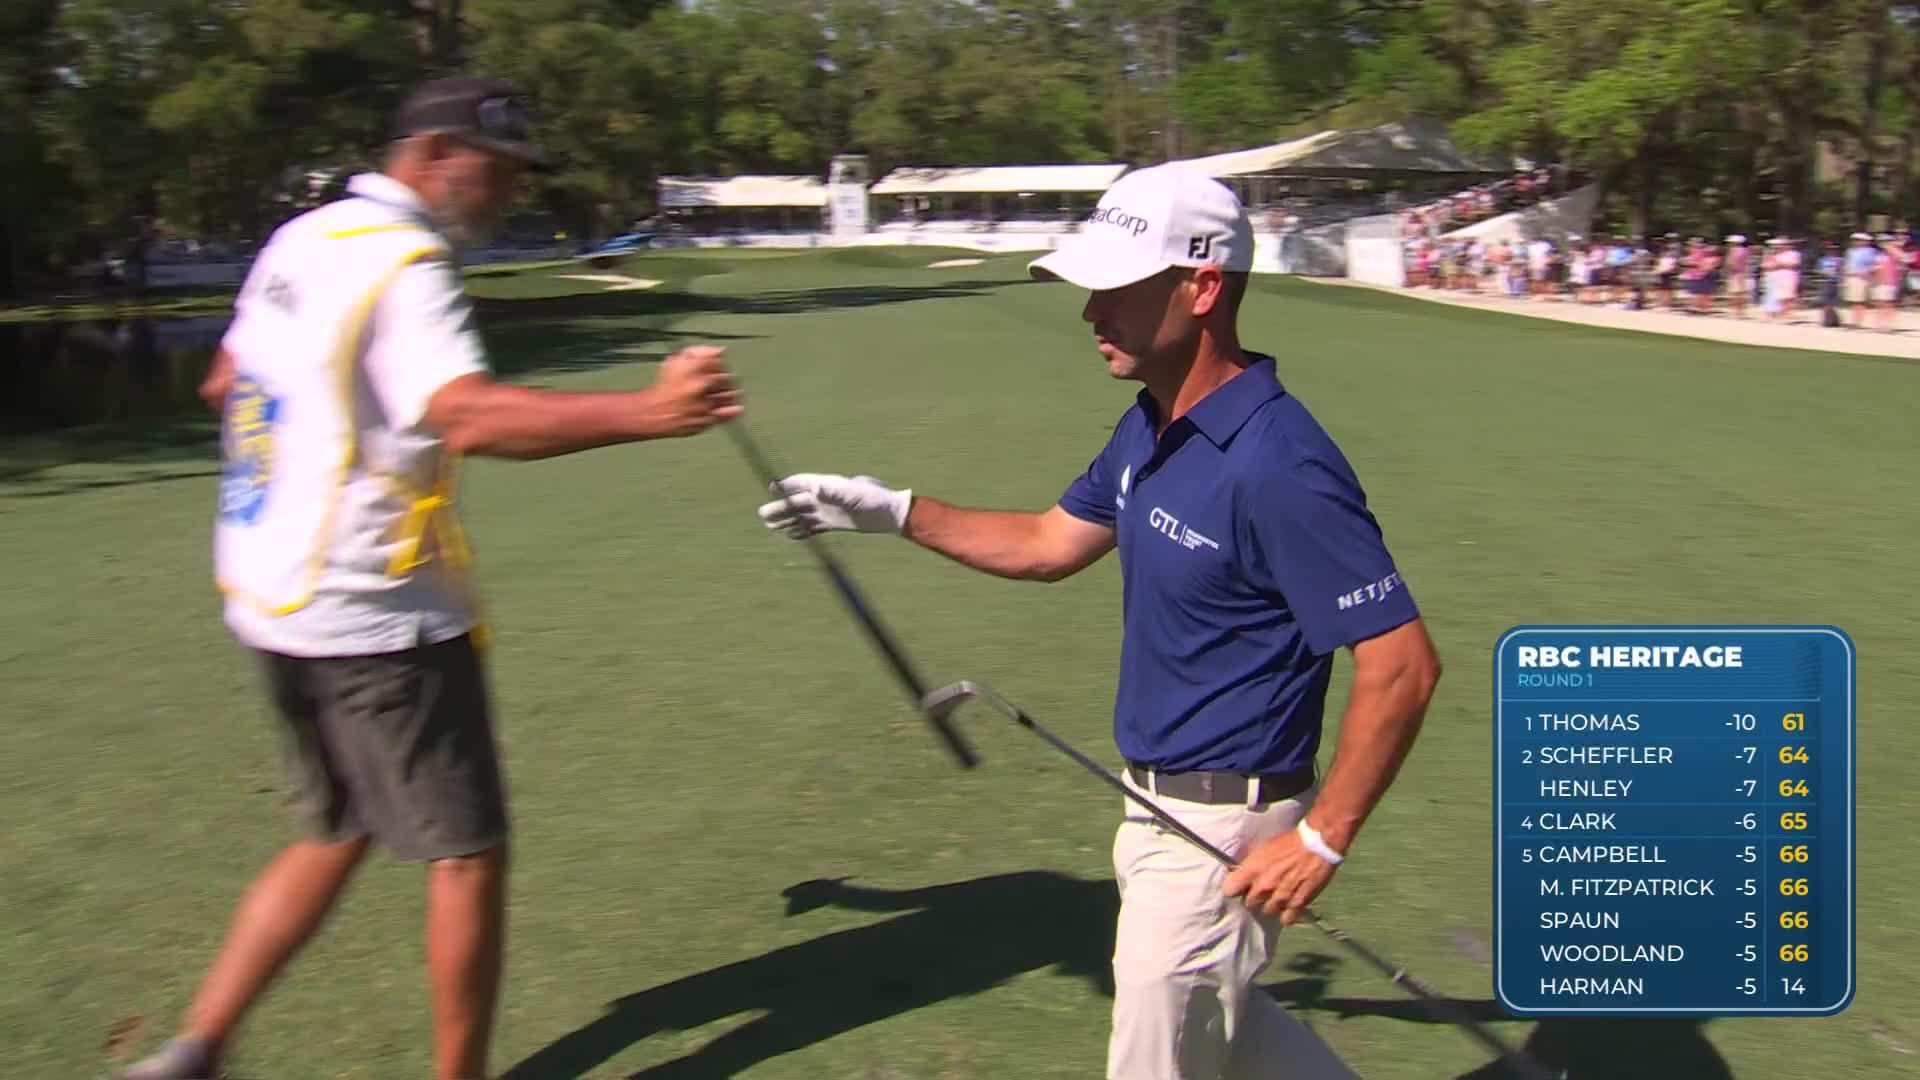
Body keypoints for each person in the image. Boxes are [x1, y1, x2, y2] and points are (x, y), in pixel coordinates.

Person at [754, 164, 1442, 1080]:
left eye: (1117, 289)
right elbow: (1048, 543)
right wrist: (894, 511)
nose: (1090, 312)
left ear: (1202, 288)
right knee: (1237, 1045)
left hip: (1225, 837)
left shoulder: (1280, 464)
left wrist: (1322, 838)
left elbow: (1403, 663)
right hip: (1154, 813)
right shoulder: (1150, 426)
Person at [124, 76, 742, 1080]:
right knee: (467, 855)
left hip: (272, 593)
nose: (512, 192)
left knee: (339, 827)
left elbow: (225, 380)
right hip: (378, 610)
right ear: (436, 155)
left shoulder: (303, 237)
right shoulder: (409, 263)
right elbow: (468, 417)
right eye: (500, 170)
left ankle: (195, 1050)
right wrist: (651, 410)